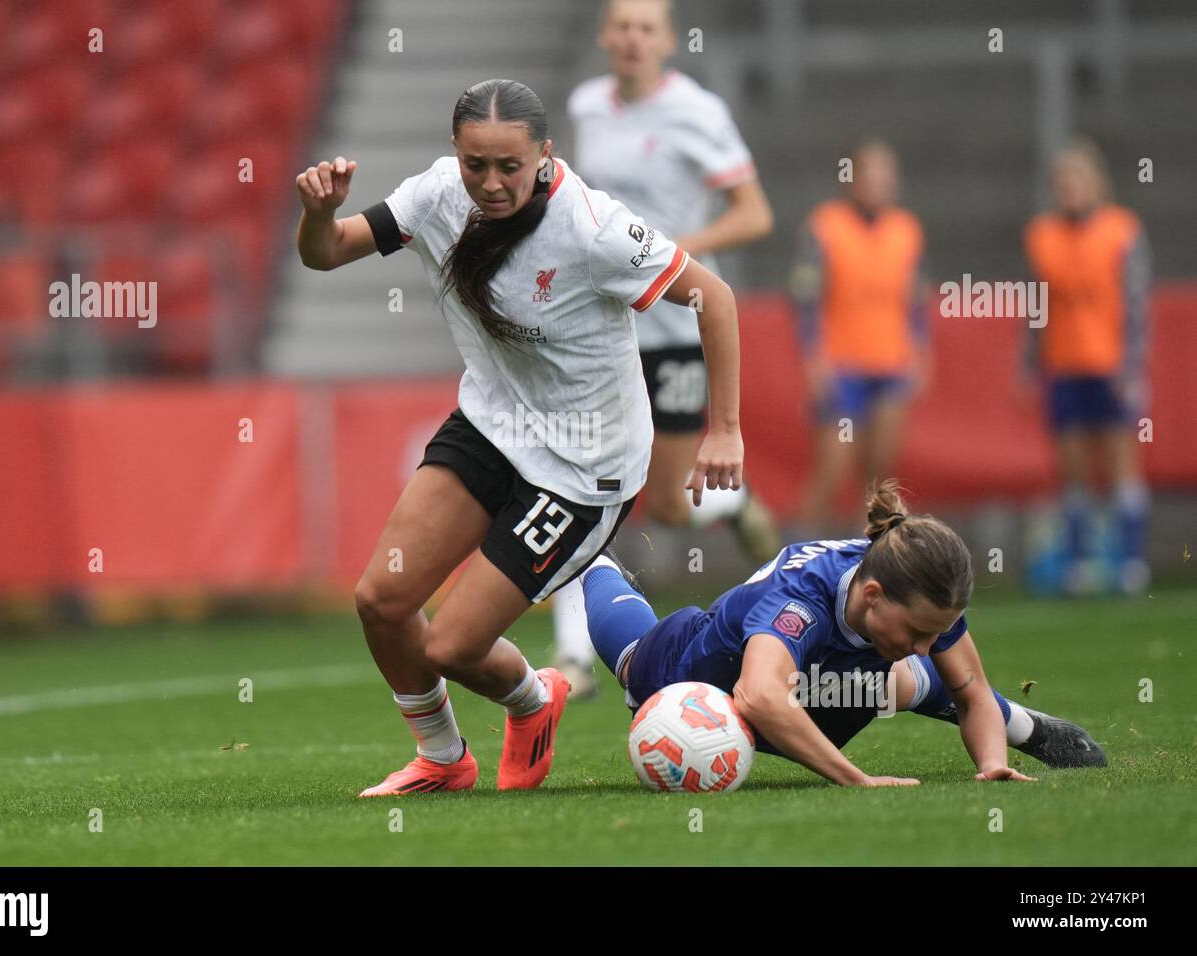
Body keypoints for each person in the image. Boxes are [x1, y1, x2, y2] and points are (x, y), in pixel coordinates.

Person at [295, 78, 746, 796]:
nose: (492, 182)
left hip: (583, 466)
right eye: (477, 164)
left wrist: (724, 432)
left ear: (545, 154)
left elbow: (712, 297)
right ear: (455, 152)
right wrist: (318, 214)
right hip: (492, 425)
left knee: (451, 645)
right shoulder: (437, 195)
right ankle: (444, 760)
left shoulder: (594, 227)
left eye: (511, 165)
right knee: (381, 602)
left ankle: (534, 701)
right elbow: (326, 253)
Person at [580, 479, 1107, 787]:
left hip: (823, 692)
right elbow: (759, 695)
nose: (928, 644)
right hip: (704, 677)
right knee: (632, 661)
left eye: (936, 632)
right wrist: (856, 779)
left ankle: (1026, 728)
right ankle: (590, 558)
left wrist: (992, 763)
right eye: (921, 631)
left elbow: (969, 690)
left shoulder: (921, 585)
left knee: (911, 675)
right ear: (872, 596)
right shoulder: (800, 599)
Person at [554, 0, 779, 698]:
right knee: (573, 485)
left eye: (645, 27)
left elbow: (755, 212)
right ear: (603, 37)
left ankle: (730, 507)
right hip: (600, 332)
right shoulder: (586, 104)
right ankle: (573, 658)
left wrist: (676, 258)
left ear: (668, 41)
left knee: (670, 507)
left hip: (676, 326)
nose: (631, 38)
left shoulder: (698, 111)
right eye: (620, 26)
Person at [1024, 137, 1152, 595]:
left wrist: (1132, 367)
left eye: (1078, 179)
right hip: (1064, 366)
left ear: (1097, 183)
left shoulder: (1122, 230)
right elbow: (1037, 307)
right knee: (1072, 469)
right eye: (1063, 182)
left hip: (1110, 365)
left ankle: (1133, 563)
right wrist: (1029, 364)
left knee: (1121, 464)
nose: (1070, 189)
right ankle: (1077, 564)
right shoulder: (1042, 235)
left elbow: (1136, 305)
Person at [790, 140, 931, 536]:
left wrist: (920, 353)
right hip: (841, 365)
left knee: (880, 476)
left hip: (890, 363)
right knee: (832, 469)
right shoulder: (826, 226)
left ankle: (863, 559)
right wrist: (814, 360)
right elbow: (805, 298)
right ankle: (795, 556)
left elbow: (916, 299)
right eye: (868, 175)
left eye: (885, 177)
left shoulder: (906, 230)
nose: (877, 185)